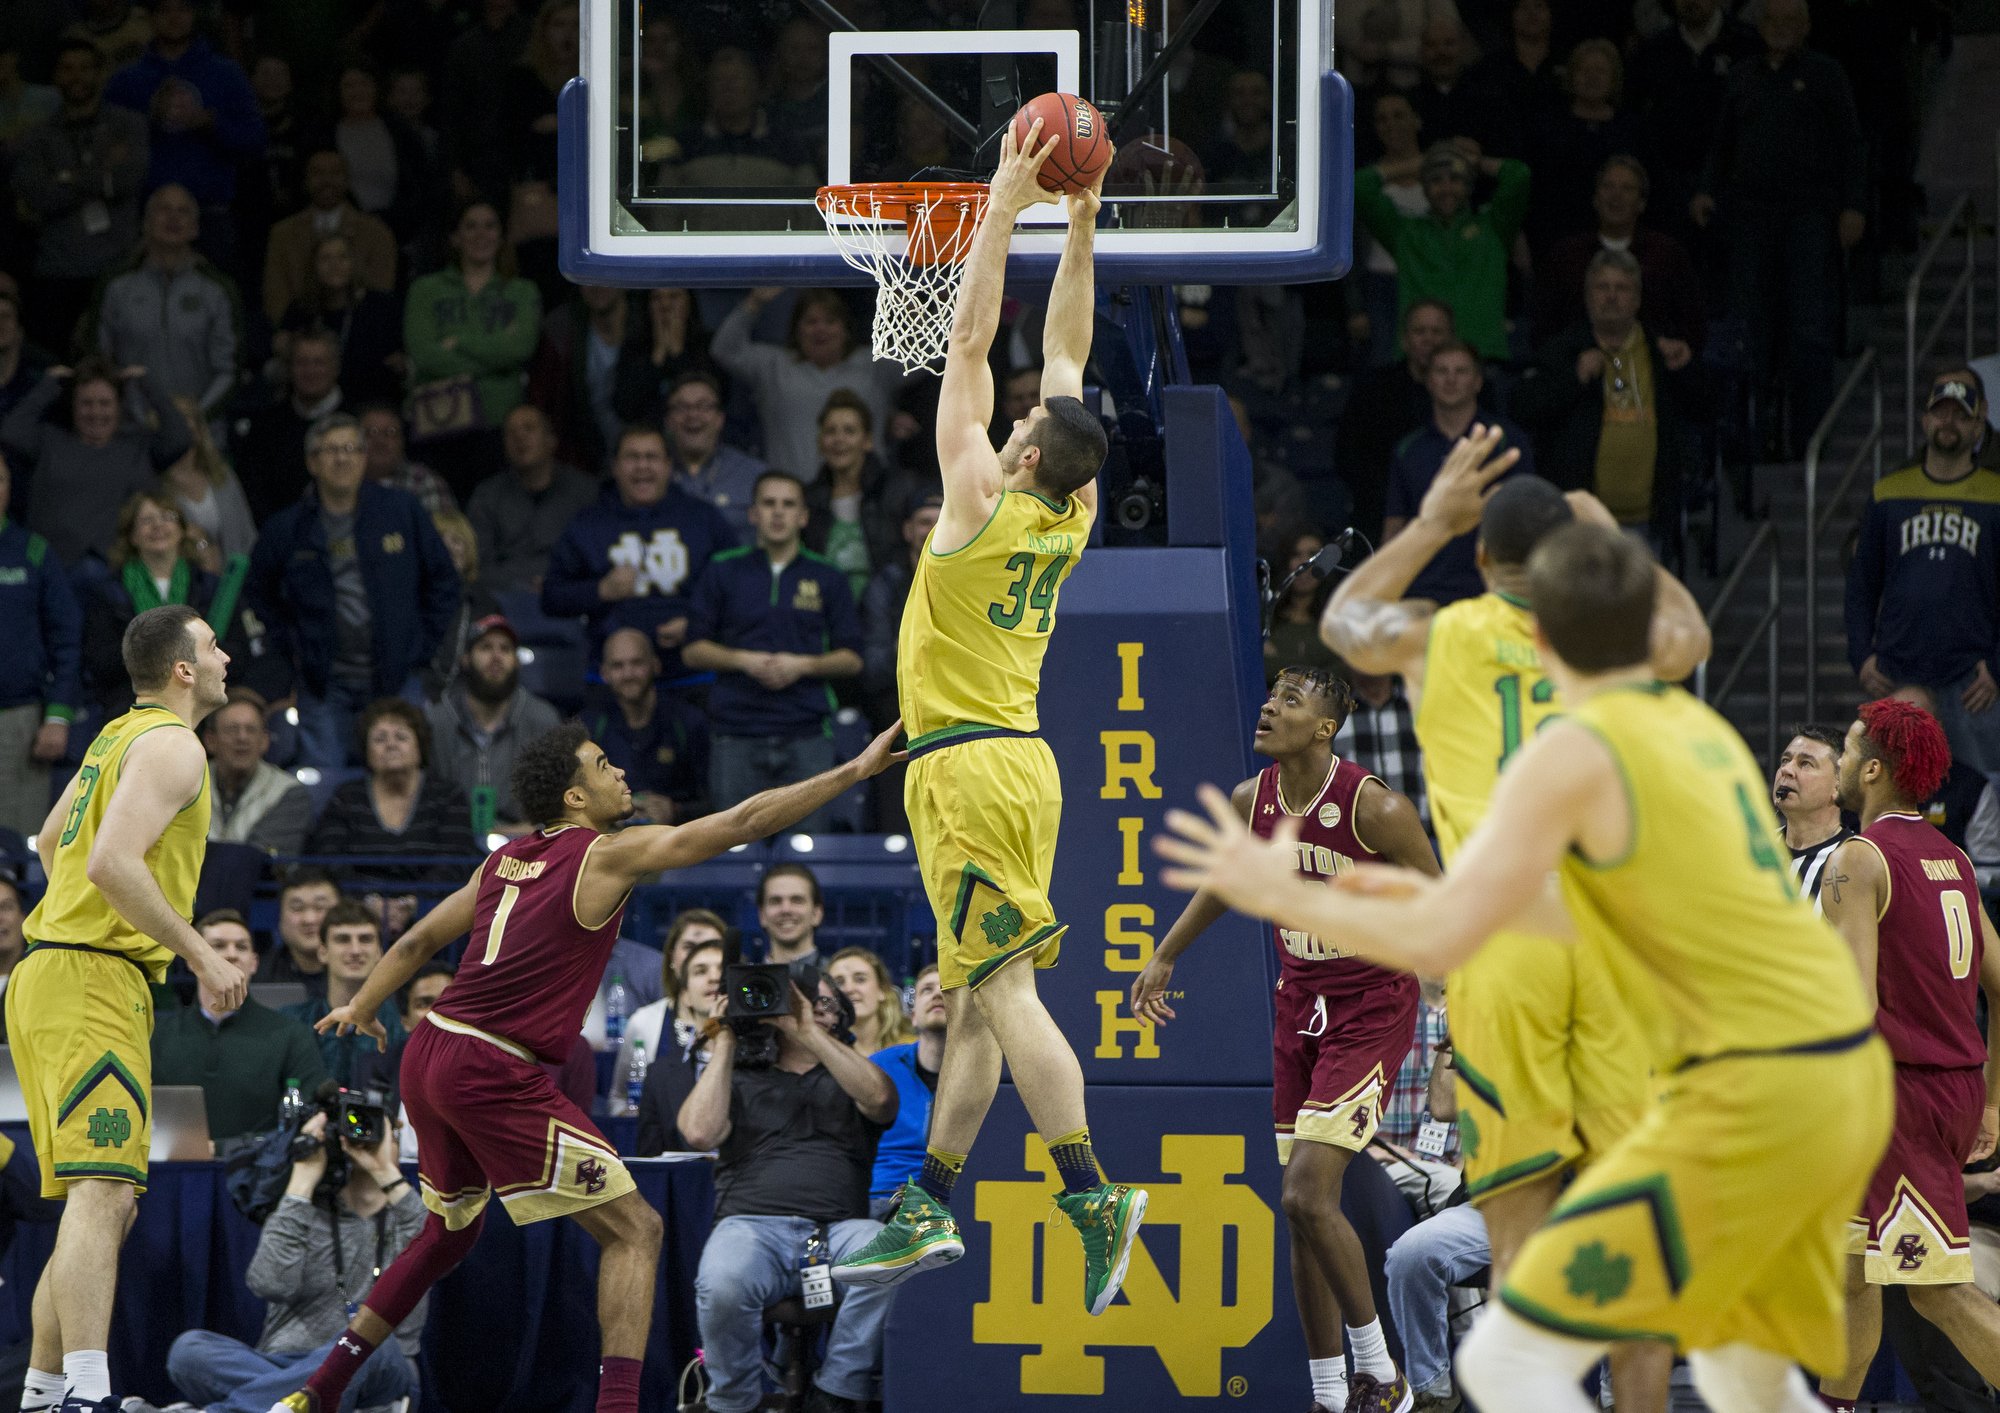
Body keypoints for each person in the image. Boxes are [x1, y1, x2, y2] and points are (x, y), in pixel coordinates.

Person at [1159, 522, 1893, 1413]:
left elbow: (1359, 628)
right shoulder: (1688, 750)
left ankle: (1399, 1370)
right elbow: (1686, 639)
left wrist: (1432, 523)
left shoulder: (1487, 700)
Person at [268, 714, 904, 1413]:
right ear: (575, 796)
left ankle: (319, 1390)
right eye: (604, 764)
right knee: (639, 1229)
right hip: (488, 1063)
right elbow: (743, 819)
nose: (621, 772)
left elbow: (419, 938)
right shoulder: (604, 853)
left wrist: (364, 1004)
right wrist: (851, 773)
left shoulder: (501, 859)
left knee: (450, 1232)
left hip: (432, 1046)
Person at [1322, 438, 1711, 1409]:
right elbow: (1690, 637)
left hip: (1505, 953)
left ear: (1484, 560)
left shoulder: (1441, 634)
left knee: (1517, 1251)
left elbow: (1342, 622)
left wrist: (1429, 521)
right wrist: (1599, 528)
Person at [831, 124, 1146, 1311]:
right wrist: (1083, 215)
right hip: (1018, 764)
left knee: (1005, 994)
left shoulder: (973, 501)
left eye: (1018, 426)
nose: (1011, 418)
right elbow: (1064, 345)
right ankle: (928, 1207)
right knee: (974, 991)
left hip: (965, 772)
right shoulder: (1071, 507)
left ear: (1020, 457)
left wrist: (1008, 199)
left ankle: (1091, 1193)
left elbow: (969, 340)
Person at [1131, 667, 1441, 1413]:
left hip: (1371, 1004)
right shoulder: (1252, 799)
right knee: (1302, 1211)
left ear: (1325, 726)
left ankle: (1381, 1371)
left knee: (1305, 1191)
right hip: (1299, 1004)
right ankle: (1330, 1394)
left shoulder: (1377, 808)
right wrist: (1167, 951)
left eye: (1290, 700)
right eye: (1270, 693)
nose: (1269, 705)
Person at [6, 603, 237, 1413]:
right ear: (183, 668)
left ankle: (42, 1391)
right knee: (105, 1193)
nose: (226, 655)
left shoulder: (115, 735)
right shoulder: (175, 745)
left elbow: (46, 840)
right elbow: (108, 861)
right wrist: (202, 949)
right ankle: (87, 1395)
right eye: (212, 646)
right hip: (93, 977)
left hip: (55, 975)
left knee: (104, 1201)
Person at [1808, 701, 2000, 1408]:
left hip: (1898, 1096)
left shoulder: (1859, 858)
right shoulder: (1951, 856)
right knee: (1854, 1268)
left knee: (1939, 1293)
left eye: (1848, 747)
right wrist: (1995, 1096)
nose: (1838, 758)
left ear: (1872, 770)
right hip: (1947, 1091)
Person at [679, 967, 900, 1413]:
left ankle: (837, 1389)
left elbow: (880, 1101)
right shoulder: (736, 1075)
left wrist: (807, 1030)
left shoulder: (853, 1075)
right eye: (792, 997)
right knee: (723, 1282)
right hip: (751, 1229)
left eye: (819, 1002)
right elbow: (699, 1134)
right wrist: (724, 1037)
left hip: (840, 1231)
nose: (801, 1008)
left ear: (839, 1017)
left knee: (888, 1251)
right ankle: (732, 1402)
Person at [161, 1111, 423, 1413]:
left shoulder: (408, 1217)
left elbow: (440, 1255)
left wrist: (386, 1172)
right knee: (188, 1351)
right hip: (284, 1360)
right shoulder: (304, 1211)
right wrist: (301, 1181)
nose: (364, 1141)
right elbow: (269, 1283)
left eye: (380, 1134)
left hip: (375, 1364)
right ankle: (307, 1404)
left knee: (368, 1341)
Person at [1690, 0, 1864, 447]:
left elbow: (1851, 144)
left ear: (1806, 27)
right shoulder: (1742, 75)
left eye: (1791, 21)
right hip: (1749, 215)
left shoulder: (1827, 74)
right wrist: (1707, 188)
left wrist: (1853, 207)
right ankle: (1747, 435)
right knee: (1748, 326)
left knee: (1808, 327)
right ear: (1761, 24)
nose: (1781, 28)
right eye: (1773, 19)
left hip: (1809, 214)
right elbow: (1721, 142)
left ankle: (1811, 437)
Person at [247, 413, 461, 772]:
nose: (342, 458)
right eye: (331, 451)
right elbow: (258, 595)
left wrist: (420, 646)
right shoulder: (287, 527)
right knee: (326, 784)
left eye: (351, 449)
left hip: (398, 675)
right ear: (312, 462)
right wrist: (292, 651)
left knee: (402, 778)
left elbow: (443, 580)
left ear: (364, 458)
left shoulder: (400, 511)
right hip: (324, 683)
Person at [683, 472, 864, 822]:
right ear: (753, 514)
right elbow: (692, 650)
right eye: (769, 503)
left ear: (803, 516)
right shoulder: (723, 570)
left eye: (788, 504)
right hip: (735, 733)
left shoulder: (829, 576)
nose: (778, 513)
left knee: (808, 849)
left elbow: (852, 659)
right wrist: (743, 660)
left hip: (806, 733)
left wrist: (801, 666)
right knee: (731, 852)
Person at [1845, 372, 2000, 775]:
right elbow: (1861, 586)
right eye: (1940, 412)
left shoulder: (1996, 495)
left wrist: (1997, 667)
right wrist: (1862, 656)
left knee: (1987, 801)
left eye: (1960, 416)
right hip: (1899, 674)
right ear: (1924, 420)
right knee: (1893, 796)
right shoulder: (1888, 494)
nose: (1948, 423)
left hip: (1974, 684)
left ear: (1978, 424)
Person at [1512, 247, 1705, 553]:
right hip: (1577, 524)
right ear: (1588, 298)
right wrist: (1573, 378)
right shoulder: (1563, 350)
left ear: (1638, 299)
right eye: (1602, 288)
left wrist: (1685, 369)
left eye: (1622, 288)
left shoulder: (1661, 351)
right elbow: (1523, 408)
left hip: (1647, 524)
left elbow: (1704, 409)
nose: (1612, 297)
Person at [542, 424, 736, 673]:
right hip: (614, 678)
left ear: (668, 466)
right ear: (615, 468)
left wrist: (698, 624)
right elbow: (551, 597)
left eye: (651, 457)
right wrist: (600, 590)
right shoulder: (589, 524)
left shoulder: (704, 519)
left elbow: (739, 590)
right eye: (632, 457)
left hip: (693, 674)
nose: (642, 466)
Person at [100, 0, 262, 271]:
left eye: (183, 8)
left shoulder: (226, 74)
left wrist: (211, 123)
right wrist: (149, 120)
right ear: (150, 17)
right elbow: (104, 148)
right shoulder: (126, 80)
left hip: (210, 213)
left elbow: (254, 140)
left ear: (194, 14)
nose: (174, 17)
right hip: (144, 214)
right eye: (164, 9)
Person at [10, 38, 149, 354]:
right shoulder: (37, 137)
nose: (77, 77)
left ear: (101, 74)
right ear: (56, 76)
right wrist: (101, 174)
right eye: (68, 69)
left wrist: (67, 179)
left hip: (118, 270)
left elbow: (127, 180)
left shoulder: (128, 125)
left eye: (86, 69)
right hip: (57, 272)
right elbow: (40, 198)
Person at [401, 200, 541, 499]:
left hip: (498, 425)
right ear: (455, 237)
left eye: (490, 226)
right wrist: (496, 359)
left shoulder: (521, 291)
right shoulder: (425, 290)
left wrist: (458, 343)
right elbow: (424, 355)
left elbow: (520, 348)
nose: (481, 234)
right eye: (471, 226)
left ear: (502, 236)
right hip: (439, 423)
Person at [150, 909, 326, 1145]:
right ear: (192, 961)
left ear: (254, 963)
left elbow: (310, 1116)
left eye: (241, 947)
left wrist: (224, 1149)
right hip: (172, 1172)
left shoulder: (290, 1035)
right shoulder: (158, 1034)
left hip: (259, 1172)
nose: (231, 955)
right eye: (218, 946)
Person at [79, 488, 256, 722]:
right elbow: (100, 660)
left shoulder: (210, 588)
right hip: (131, 706)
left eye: (167, 518)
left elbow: (237, 652)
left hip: (203, 706)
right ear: (132, 535)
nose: (158, 526)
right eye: (146, 520)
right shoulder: (110, 591)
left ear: (182, 530)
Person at [1382, 343, 1533, 605]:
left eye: (1461, 371)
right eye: (1441, 371)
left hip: (1489, 590)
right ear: (1428, 380)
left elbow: (1527, 520)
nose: (1451, 379)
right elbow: (1395, 522)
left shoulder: (1507, 441)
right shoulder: (1409, 448)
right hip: (1421, 590)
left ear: (1477, 382)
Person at [0, 359, 189, 567]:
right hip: (55, 568)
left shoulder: (140, 445)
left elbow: (180, 438)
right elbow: (11, 433)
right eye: (86, 403)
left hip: (123, 572)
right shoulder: (49, 440)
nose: (96, 413)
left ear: (119, 406)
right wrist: (49, 386)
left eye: (105, 403)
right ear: (73, 405)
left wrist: (148, 384)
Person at [1354, 142, 1529, 365]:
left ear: (1469, 186)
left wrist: (1475, 161)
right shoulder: (1405, 233)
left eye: (1455, 180)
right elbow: (1360, 185)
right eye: (1436, 180)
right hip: (1420, 361)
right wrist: (1419, 162)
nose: (1446, 189)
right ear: (1424, 188)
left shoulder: (1493, 228)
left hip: (1483, 355)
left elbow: (1519, 176)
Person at [711, 288, 905, 480]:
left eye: (830, 321)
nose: (820, 329)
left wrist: (911, 309)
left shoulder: (876, 365)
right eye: (811, 322)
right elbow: (724, 349)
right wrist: (754, 302)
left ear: (846, 329)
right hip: (789, 499)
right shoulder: (773, 365)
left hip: (866, 498)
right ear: (796, 329)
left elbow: (931, 353)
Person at [1530, 156, 1706, 351]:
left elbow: (1692, 327)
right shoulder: (1566, 256)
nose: (1616, 195)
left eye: (1627, 189)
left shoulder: (1667, 255)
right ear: (1595, 199)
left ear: (1642, 203)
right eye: (1608, 187)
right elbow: (1543, 329)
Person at [91, 184, 236, 418]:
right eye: (163, 209)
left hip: (201, 431)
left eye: (183, 211)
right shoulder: (116, 287)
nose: (173, 217)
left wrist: (196, 415)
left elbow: (230, 369)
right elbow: (100, 361)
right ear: (145, 223)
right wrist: (133, 412)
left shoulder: (217, 290)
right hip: (130, 427)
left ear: (195, 228)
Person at [306, 699, 478, 891]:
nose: (391, 745)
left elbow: (456, 862)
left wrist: (413, 901)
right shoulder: (346, 798)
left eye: (401, 737)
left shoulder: (448, 796)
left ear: (420, 747)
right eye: (379, 739)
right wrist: (369, 900)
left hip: (432, 907)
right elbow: (329, 860)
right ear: (366, 751)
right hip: (358, 909)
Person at [1336, 299, 1459, 560]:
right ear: (1405, 339)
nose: (1429, 340)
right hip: (1381, 516)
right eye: (1420, 331)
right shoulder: (1374, 389)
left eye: (1437, 332)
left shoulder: (1469, 395)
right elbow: (1348, 457)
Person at [0, 451, 81, 837]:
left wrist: (57, 715)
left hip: (20, 720)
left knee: (18, 842)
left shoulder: (32, 551)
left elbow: (66, 638)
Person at [424, 614, 561, 836]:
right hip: (452, 845)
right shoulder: (437, 722)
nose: (496, 656)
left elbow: (561, 804)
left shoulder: (543, 720)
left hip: (526, 845)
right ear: (466, 659)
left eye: (505, 649)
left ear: (516, 661)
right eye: (486, 647)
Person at [465, 403, 597, 595]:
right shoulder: (487, 496)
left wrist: (560, 584)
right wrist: (520, 584)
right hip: (505, 598)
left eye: (529, 428)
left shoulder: (584, 491)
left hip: (572, 595)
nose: (520, 437)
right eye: (511, 433)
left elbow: (597, 555)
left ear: (551, 440)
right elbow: (476, 564)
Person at [581, 627, 709, 824]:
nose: (628, 674)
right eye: (618, 666)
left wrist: (676, 810)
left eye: (637, 663)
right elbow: (573, 800)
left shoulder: (688, 723)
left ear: (655, 665)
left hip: (679, 839)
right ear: (604, 673)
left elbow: (717, 801)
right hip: (611, 842)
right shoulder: (589, 728)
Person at [261, 151, 398, 327]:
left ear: (347, 180)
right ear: (305, 180)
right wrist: (294, 334)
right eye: (318, 173)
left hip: (361, 335)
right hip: (301, 338)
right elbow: (275, 295)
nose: (327, 181)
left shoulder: (377, 233)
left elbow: (381, 292)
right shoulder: (282, 234)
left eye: (335, 173)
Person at [284, 900, 405, 1097]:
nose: (355, 950)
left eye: (365, 939)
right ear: (323, 952)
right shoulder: (292, 1023)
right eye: (343, 939)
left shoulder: (399, 1026)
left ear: (379, 953)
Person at [236, 331, 349, 523]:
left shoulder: (356, 421)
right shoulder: (265, 427)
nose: (310, 371)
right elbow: (254, 491)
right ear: (289, 368)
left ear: (336, 367)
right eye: (302, 362)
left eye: (319, 362)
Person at [609, 932, 724, 1118]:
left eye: (722, 970)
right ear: (685, 995)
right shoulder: (658, 1075)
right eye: (700, 971)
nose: (714, 978)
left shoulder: (763, 1055)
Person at [867, 964, 947, 1218]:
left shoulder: (987, 1073)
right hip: (880, 1195)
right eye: (927, 990)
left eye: (947, 989)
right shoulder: (879, 1067)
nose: (937, 994)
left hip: (954, 1197)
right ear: (912, 1016)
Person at [203, 694, 311, 856]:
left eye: (251, 730)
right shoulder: (186, 785)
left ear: (264, 741)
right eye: (232, 729)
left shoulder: (289, 791)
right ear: (210, 741)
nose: (242, 738)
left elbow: (261, 858)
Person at [661, 371, 765, 537]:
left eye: (703, 406)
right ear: (669, 421)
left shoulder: (754, 475)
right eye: (682, 408)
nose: (693, 415)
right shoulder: (650, 475)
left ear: (720, 419)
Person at [1773, 725, 1850, 906]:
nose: (1787, 770)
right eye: (1785, 760)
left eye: (1805, 763)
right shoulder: (1759, 849)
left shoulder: (1855, 858)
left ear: (1838, 787)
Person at [256, 868, 340, 996]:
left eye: (320, 907)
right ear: (280, 917)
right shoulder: (258, 975)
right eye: (297, 908)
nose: (309, 919)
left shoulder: (365, 977)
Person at [828, 946, 913, 1058]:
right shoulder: (821, 1053)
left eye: (860, 979)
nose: (849, 989)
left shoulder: (912, 1050)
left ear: (882, 990)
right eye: (839, 983)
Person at [755, 864, 828, 969]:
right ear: (762, 916)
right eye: (775, 901)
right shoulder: (744, 984)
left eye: (797, 900)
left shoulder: (838, 980)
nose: (786, 909)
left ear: (816, 914)